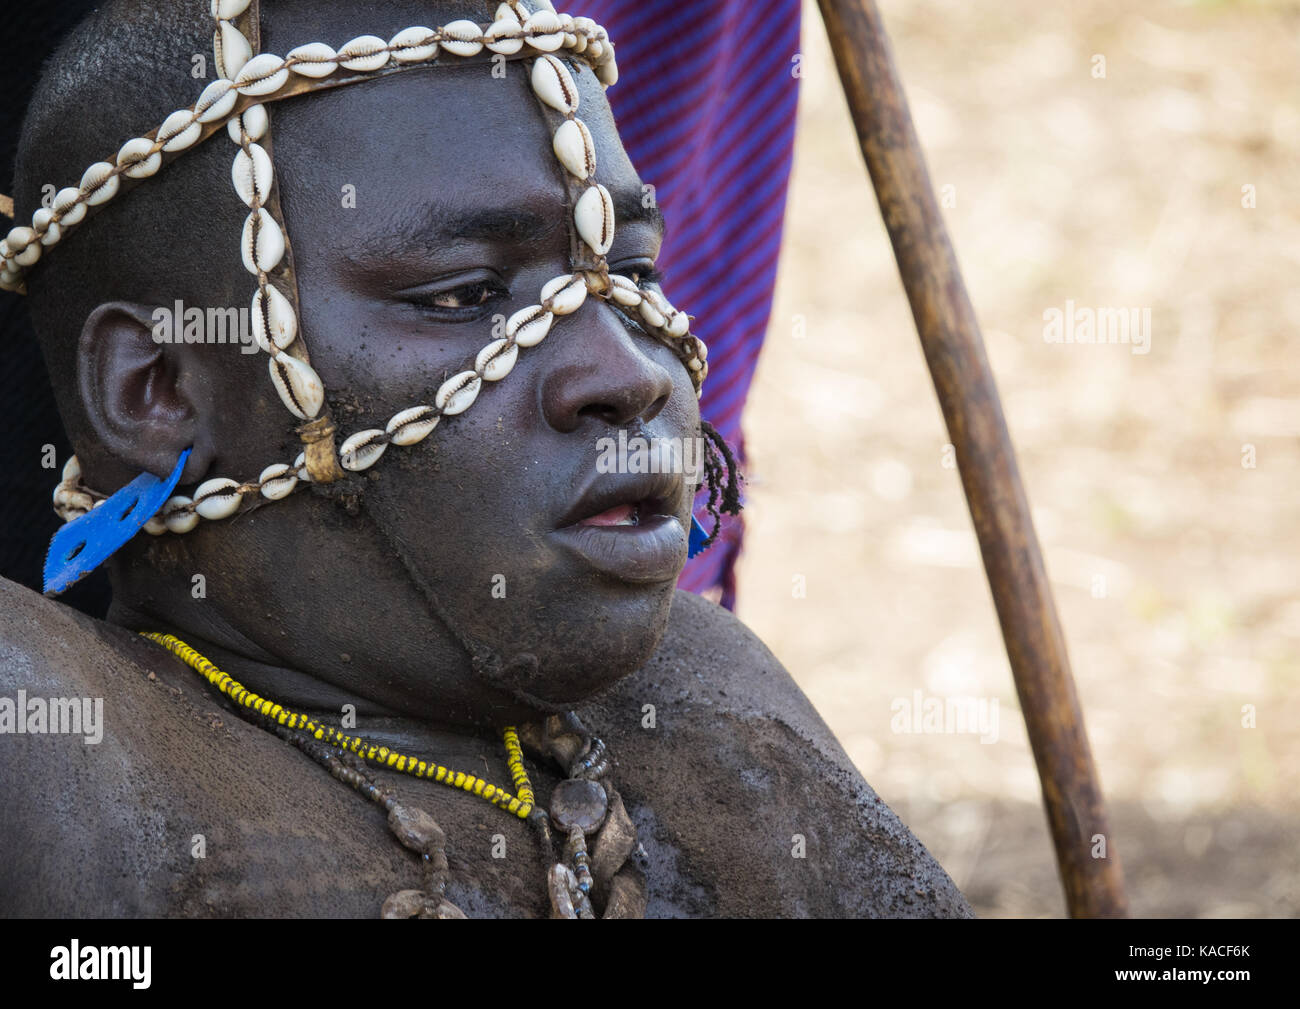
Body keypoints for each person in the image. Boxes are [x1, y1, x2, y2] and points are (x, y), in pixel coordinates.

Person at [0, 0, 971, 918]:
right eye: (464, 296)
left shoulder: (700, 694)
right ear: (157, 386)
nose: (627, 374)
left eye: (631, 273)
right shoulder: (48, 738)